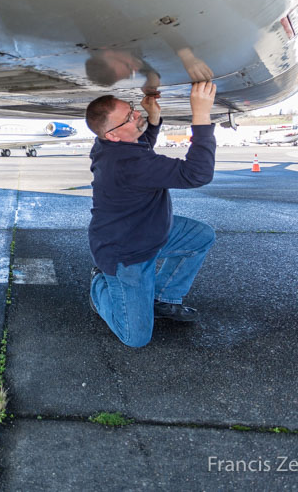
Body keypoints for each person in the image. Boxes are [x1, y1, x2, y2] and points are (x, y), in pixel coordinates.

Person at [84, 81, 218, 347]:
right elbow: (197, 174)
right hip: (126, 254)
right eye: (129, 117)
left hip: (150, 232)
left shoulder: (109, 146)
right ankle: (100, 285)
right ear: (112, 134)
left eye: (132, 109)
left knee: (200, 236)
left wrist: (153, 118)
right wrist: (201, 115)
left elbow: (140, 145)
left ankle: (164, 297)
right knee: (136, 338)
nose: (137, 115)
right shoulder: (129, 164)